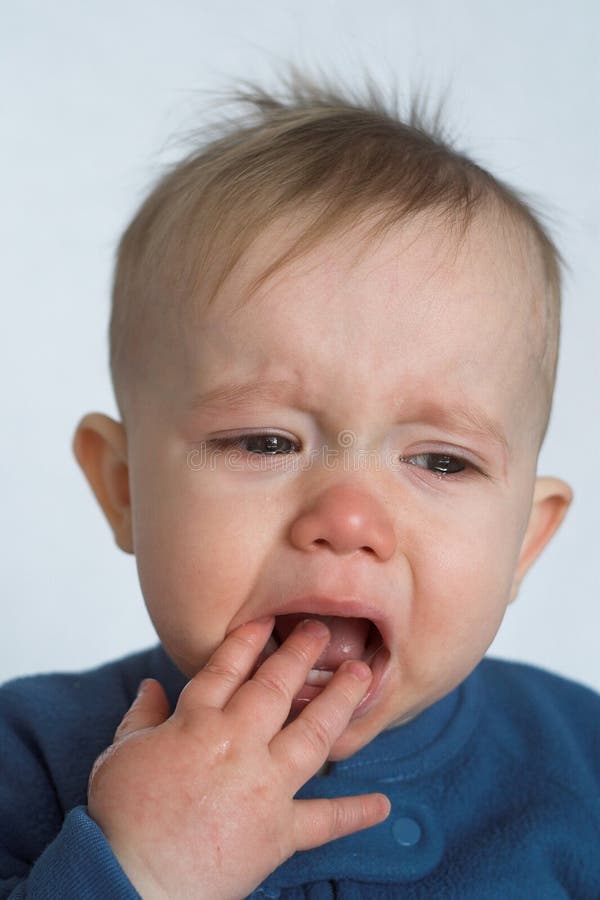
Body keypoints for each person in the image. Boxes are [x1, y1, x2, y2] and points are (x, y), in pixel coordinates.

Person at [2, 67, 598, 899]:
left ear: (525, 542)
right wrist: (139, 870)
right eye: (265, 441)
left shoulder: (582, 761)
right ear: (125, 488)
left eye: (440, 460)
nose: (349, 518)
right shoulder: (23, 758)